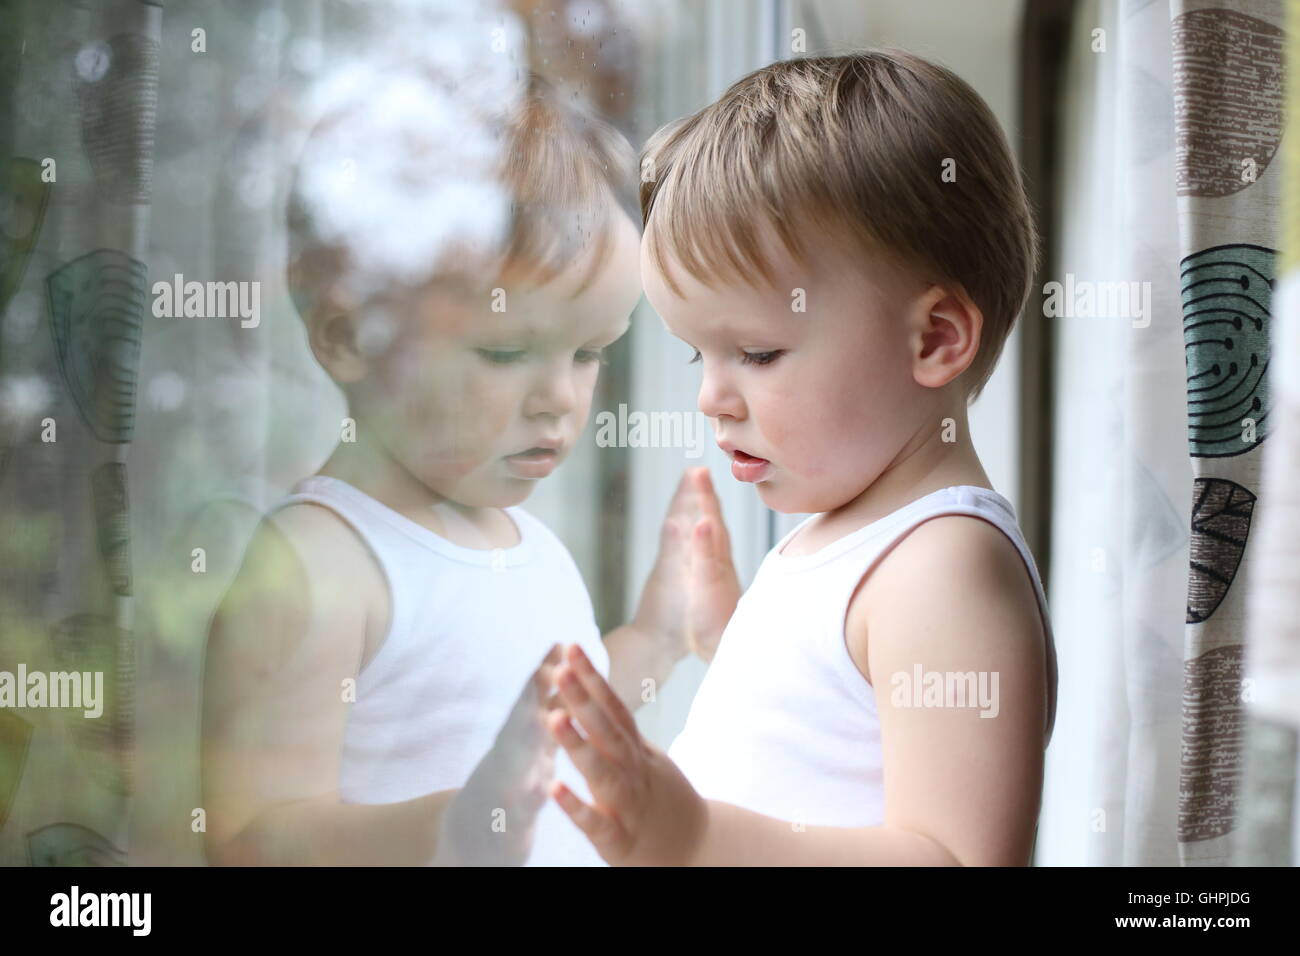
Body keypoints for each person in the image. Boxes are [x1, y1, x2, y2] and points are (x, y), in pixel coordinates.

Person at [199, 62, 737, 866]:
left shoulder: (527, 545)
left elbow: (557, 738)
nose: (560, 398)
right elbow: (248, 837)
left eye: (590, 354)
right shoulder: (322, 560)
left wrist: (657, 635)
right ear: (350, 337)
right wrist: (453, 828)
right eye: (505, 349)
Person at [544, 49, 1059, 866]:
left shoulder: (944, 568)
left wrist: (694, 836)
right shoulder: (863, 540)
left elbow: (955, 858)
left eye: (756, 352)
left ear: (935, 339)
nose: (711, 398)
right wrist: (730, 634)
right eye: (697, 357)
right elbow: (824, 732)